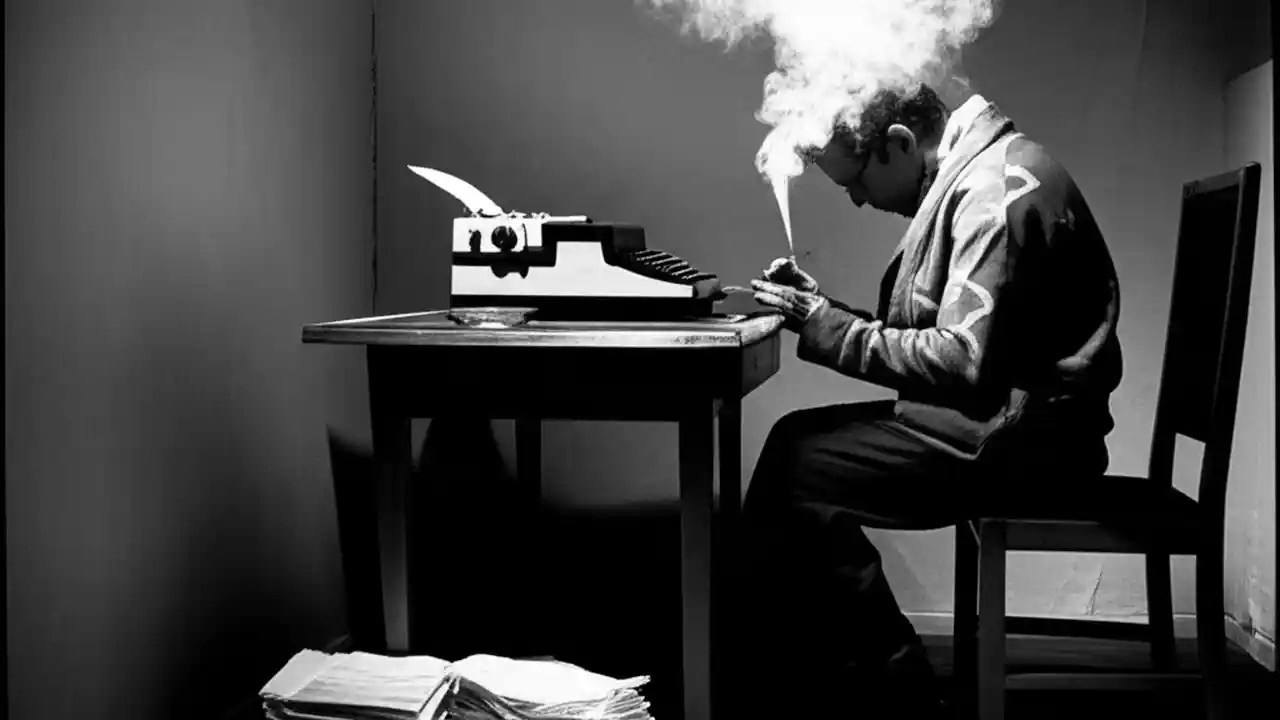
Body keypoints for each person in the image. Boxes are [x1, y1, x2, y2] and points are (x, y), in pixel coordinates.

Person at [739, 84, 1123, 717]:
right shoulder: (991, 167)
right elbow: (963, 348)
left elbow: (962, 362)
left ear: (896, 144)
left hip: (1026, 445)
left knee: (800, 468)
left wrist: (828, 326)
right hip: (1015, 424)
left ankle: (895, 694)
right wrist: (826, 314)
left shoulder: (992, 192)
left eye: (854, 183)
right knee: (795, 449)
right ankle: (815, 675)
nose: (860, 199)